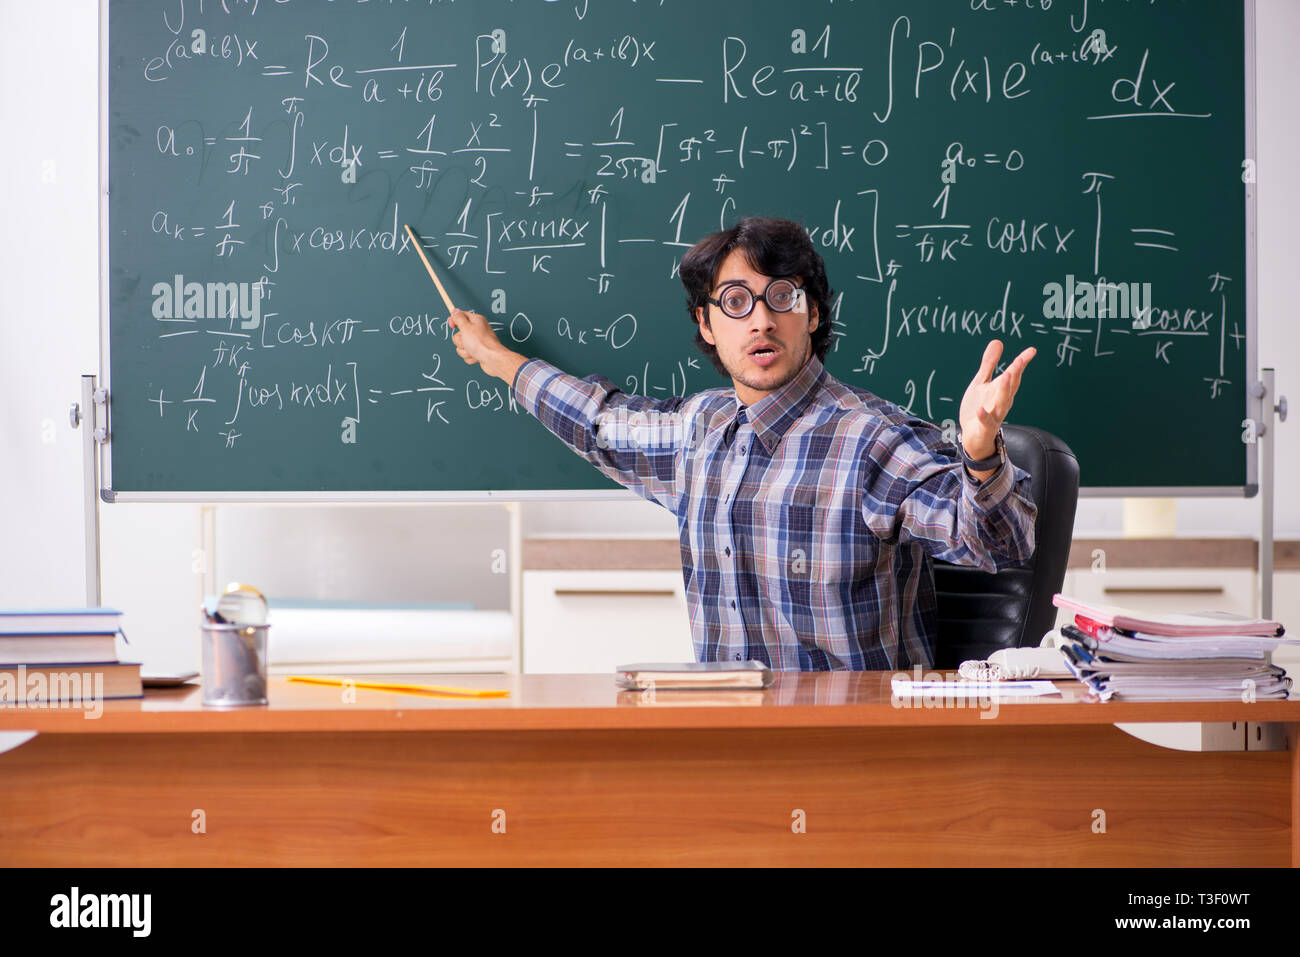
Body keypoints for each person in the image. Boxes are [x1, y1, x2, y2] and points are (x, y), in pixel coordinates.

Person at [447, 216, 1038, 670]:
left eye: (781, 296)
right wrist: (498, 359)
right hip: (727, 747)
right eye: (735, 302)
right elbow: (599, 422)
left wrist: (981, 451)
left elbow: (1000, 546)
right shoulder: (697, 432)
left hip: (855, 758)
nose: (760, 320)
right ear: (707, 324)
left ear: (810, 313)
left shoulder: (871, 440)